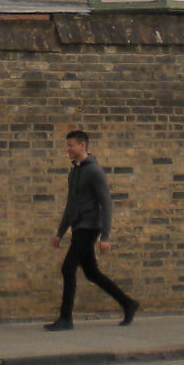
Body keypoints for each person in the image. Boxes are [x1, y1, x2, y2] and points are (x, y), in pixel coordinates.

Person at [47, 128, 138, 330]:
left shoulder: (94, 171)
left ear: (83, 145)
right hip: (79, 226)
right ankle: (128, 303)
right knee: (91, 273)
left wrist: (105, 236)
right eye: (67, 145)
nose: (67, 149)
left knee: (68, 267)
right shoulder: (75, 172)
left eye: (71, 145)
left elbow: (106, 203)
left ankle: (66, 318)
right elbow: (71, 204)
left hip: (90, 227)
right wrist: (60, 233)